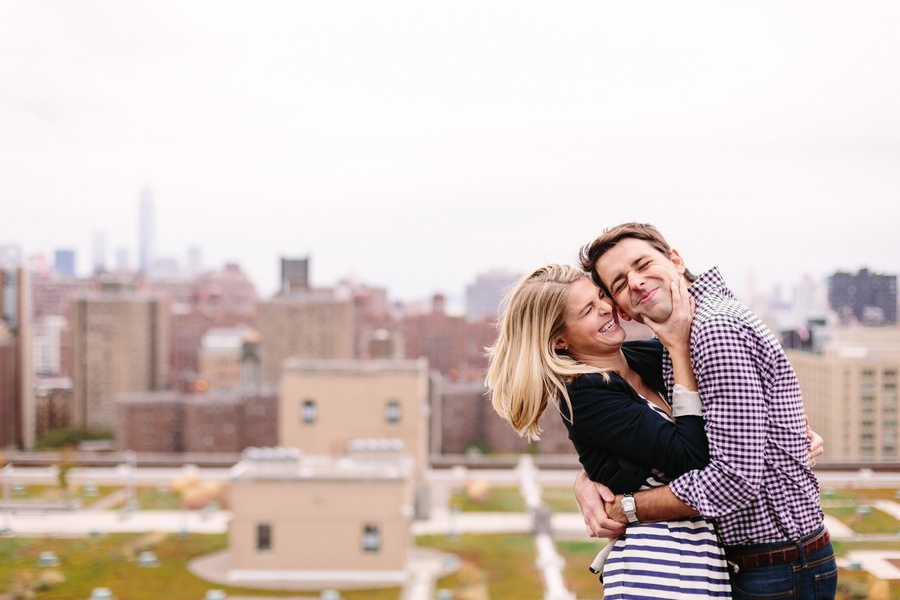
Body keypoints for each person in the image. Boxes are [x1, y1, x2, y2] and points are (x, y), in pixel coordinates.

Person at [576, 222, 837, 599]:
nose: (635, 282)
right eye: (619, 283)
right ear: (624, 311)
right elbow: (649, 426)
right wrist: (586, 477)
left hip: (775, 569)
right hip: (767, 564)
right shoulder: (678, 339)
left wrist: (625, 509)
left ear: (676, 260)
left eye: (643, 264)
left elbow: (733, 480)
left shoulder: (713, 332)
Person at [486, 263, 733, 598]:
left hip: (697, 565)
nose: (605, 307)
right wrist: (677, 349)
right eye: (588, 309)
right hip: (658, 574)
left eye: (601, 295)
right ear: (560, 340)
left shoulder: (641, 357)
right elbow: (692, 458)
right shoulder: (585, 393)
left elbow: (722, 393)